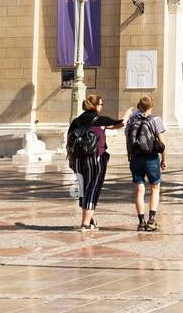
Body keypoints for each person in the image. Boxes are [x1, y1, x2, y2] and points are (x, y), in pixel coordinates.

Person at [66, 93, 127, 231]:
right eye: (101, 104)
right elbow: (120, 123)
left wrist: (70, 159)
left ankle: (89, 219)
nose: (101, 106)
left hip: (78, 160)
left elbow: (69, 140)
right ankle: (85, 223)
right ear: (95, 106)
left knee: (83, 189)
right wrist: (128, 114)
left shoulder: (76, 121)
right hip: (95, 158)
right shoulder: (100, 120)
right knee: (93, 188)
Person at [125, 94, 167, 232]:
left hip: (136, 158)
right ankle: (151, 220)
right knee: (155, 187)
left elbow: (128, 139)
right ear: (151, 106)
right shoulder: (156, 120)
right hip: (151, 158)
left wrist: (130, 155)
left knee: (139, 190)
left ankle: (141, 222)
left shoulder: (131, 120)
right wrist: (164, 159)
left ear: (138, 106)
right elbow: (162, 143)